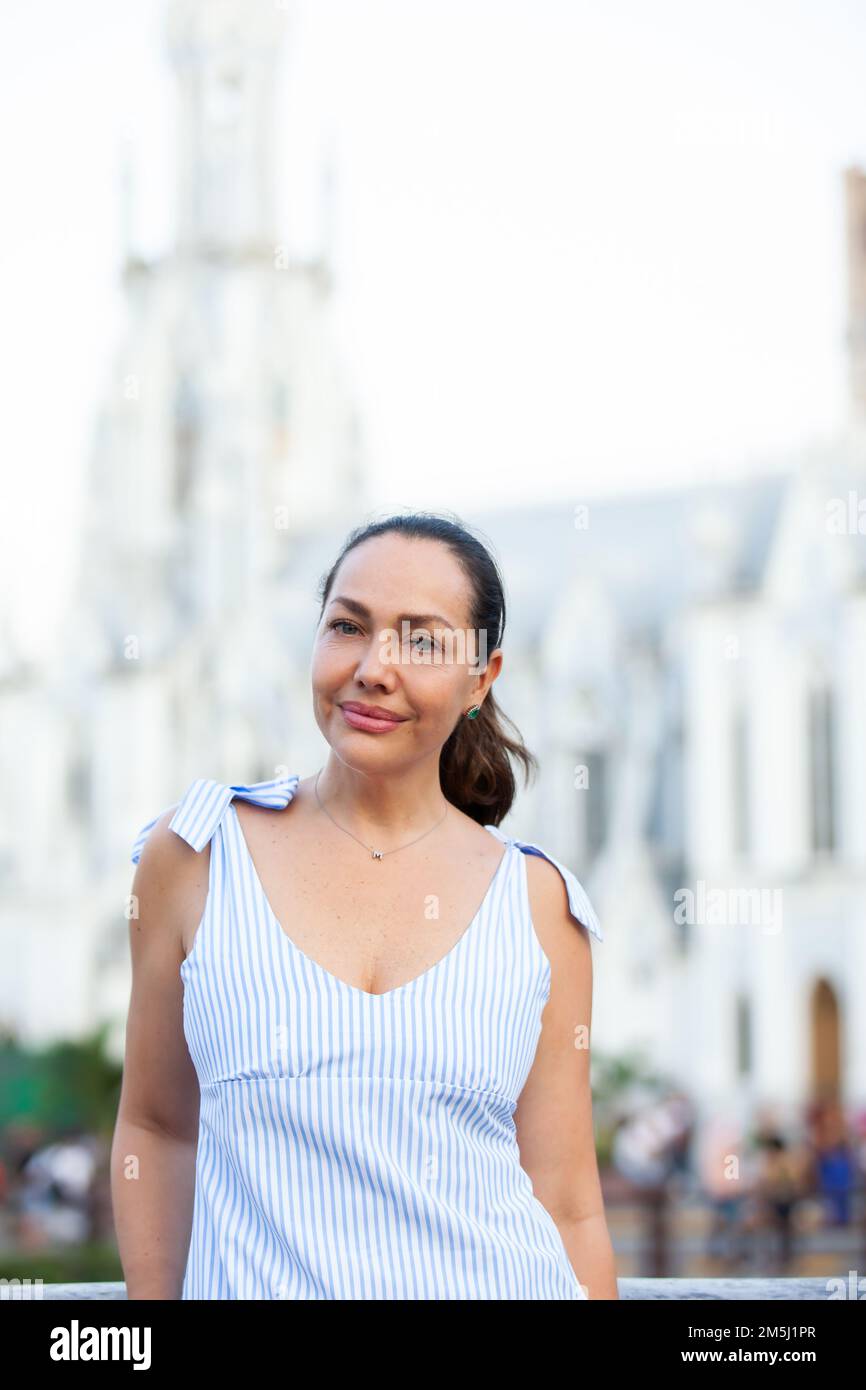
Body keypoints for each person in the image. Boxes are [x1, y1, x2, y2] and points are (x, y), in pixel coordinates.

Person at [110, 513, 618, 1300]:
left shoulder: (539, 901)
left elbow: (568, 1203)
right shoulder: (196, 856)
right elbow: (156, 1130)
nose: (374, 667)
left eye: (423, 641)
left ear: (481, 679)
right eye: (348, 626)